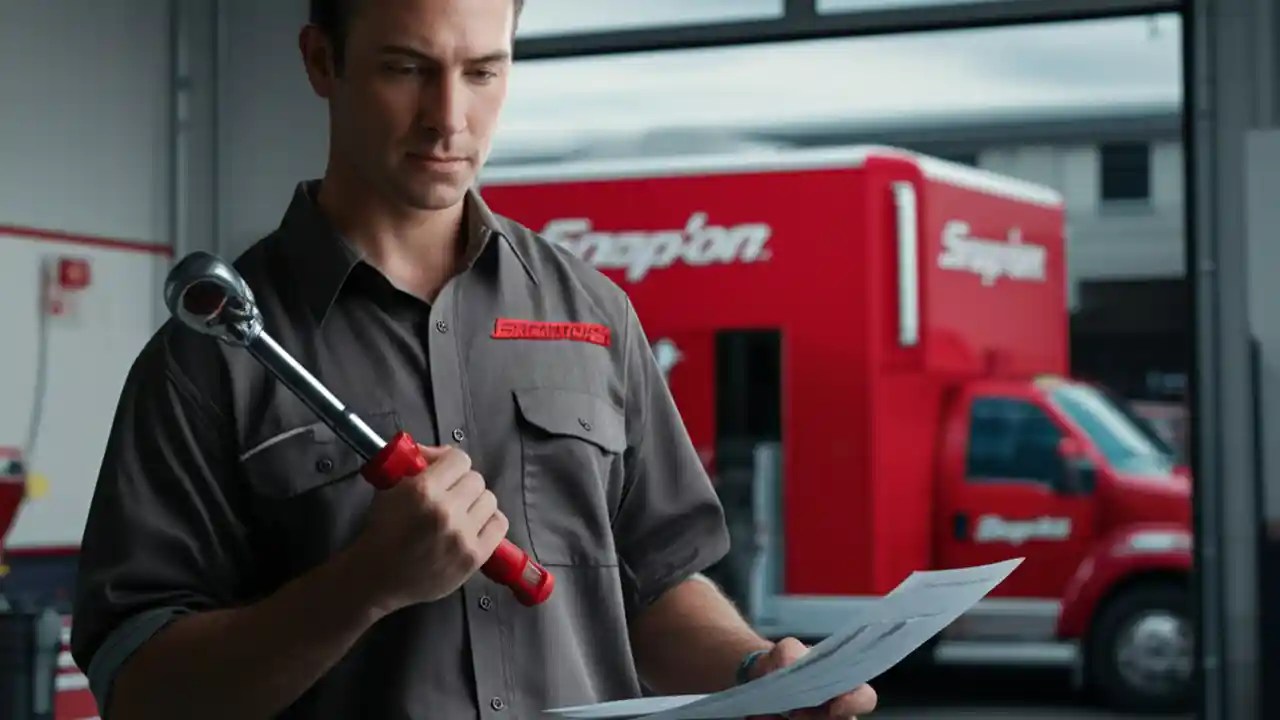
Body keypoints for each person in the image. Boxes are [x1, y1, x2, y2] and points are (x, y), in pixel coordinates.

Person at [69, 0, 879, 718]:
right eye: (405, 68)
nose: (449, 118)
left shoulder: (594, 316)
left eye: (483, 71)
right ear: (322, 61)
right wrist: (367, 582)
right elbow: (140, 689)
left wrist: (752, 673)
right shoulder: (207, 358)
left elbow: (657, 585)